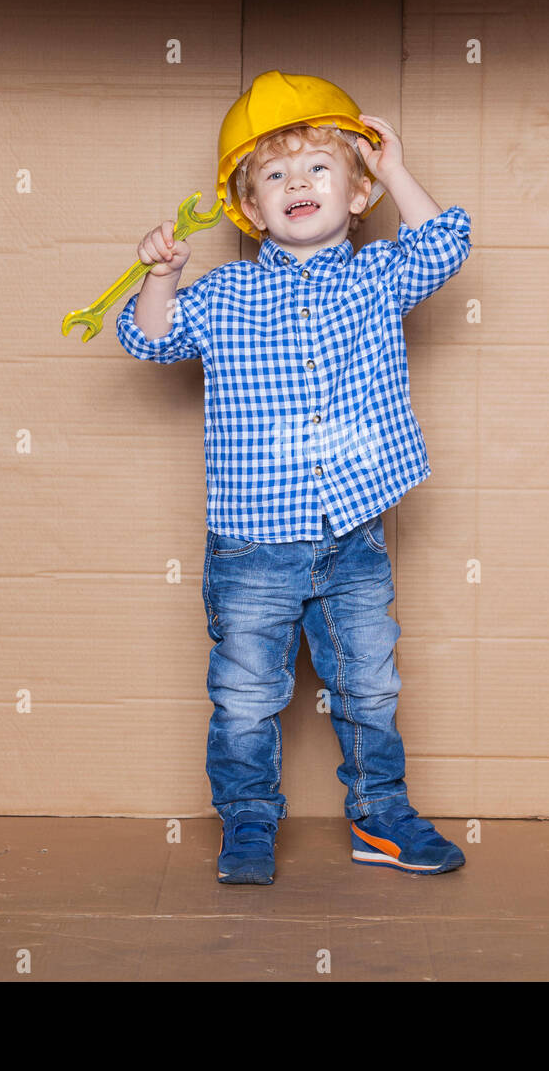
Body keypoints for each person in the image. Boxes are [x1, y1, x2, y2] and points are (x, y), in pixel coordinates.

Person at [116, 71, 472, 884]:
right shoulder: (227, 292)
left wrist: (396, 170)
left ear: (356, 194)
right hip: (252, 547)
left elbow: (446, 240)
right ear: (249, 206)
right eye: (273, 175)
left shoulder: (379, 276)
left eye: (318, 168)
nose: (297, 184)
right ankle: (247, 823)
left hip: (353, 536)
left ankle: (381, 817)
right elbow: (148, 343)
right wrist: (161, 277)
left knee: (370, 689)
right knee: (245, 697)